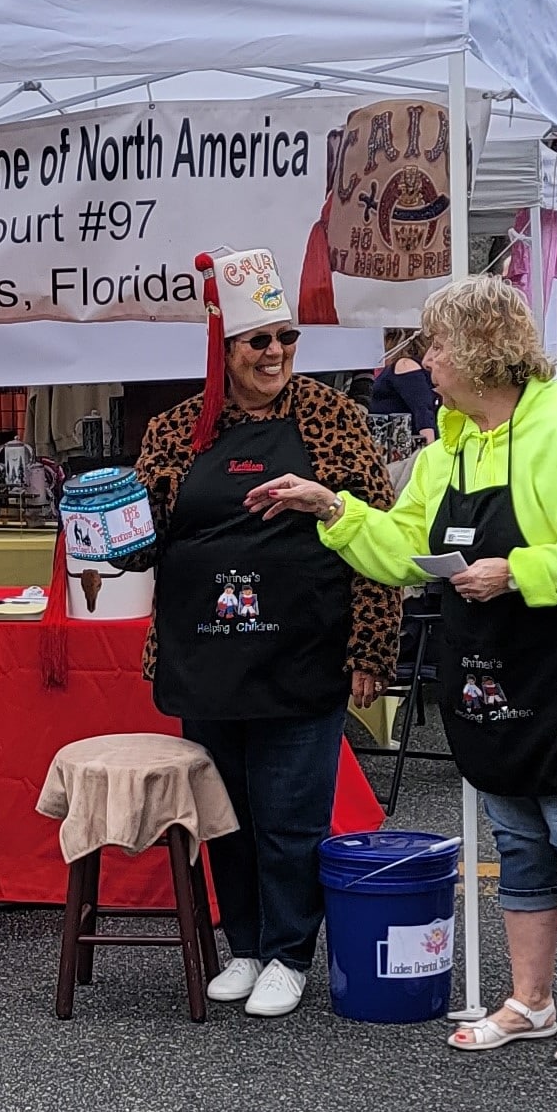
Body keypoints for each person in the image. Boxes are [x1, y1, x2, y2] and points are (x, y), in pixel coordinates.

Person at [258, 274, 557, 1065]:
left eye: (436, 344)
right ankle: (531, 1000)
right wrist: (334, 509)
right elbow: (403, 552)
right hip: (493, 668)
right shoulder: (448, 450)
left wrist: (519, 571)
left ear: (481, 348)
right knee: (517, 835)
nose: (422, 361)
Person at [125, 247, 401, 1018]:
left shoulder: (332, 419)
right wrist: (101, 534)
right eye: (259, 341)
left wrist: (372, 649)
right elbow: (144, 536)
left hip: (301, 650)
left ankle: (288, 951)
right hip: (204, 654)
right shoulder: (178, 429)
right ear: (225, 350)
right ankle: (243, 945)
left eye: (286, 339)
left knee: (290, 813)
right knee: (227, 814)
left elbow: (378, 537)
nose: (276, 353)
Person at [372, 329, 438, 447]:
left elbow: (422, 409)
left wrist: (429, 447)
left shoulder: (405, 365)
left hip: (401, 443)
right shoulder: (404, 366)